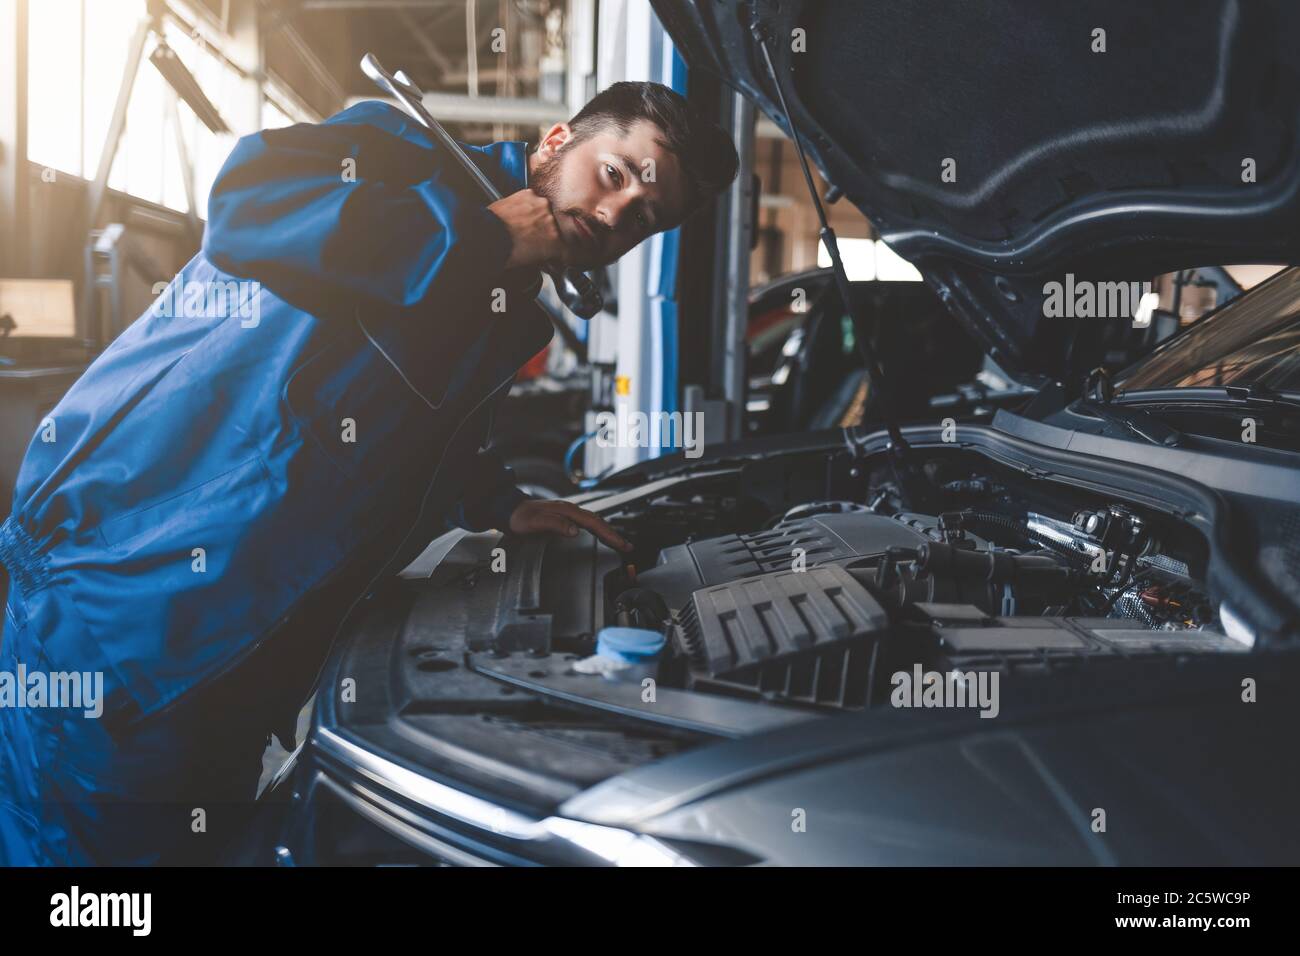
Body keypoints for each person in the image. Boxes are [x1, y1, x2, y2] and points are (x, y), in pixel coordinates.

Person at [0, 81, 738, 865]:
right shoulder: (400, 151)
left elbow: (403, 430)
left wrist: (499, 504)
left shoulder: (509, 298)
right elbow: (246, 203)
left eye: (646, 217)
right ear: (556, 142)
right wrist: (478, 240)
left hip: (248, 643)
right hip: (118, 599)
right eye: (618, 174)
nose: (619, 214)